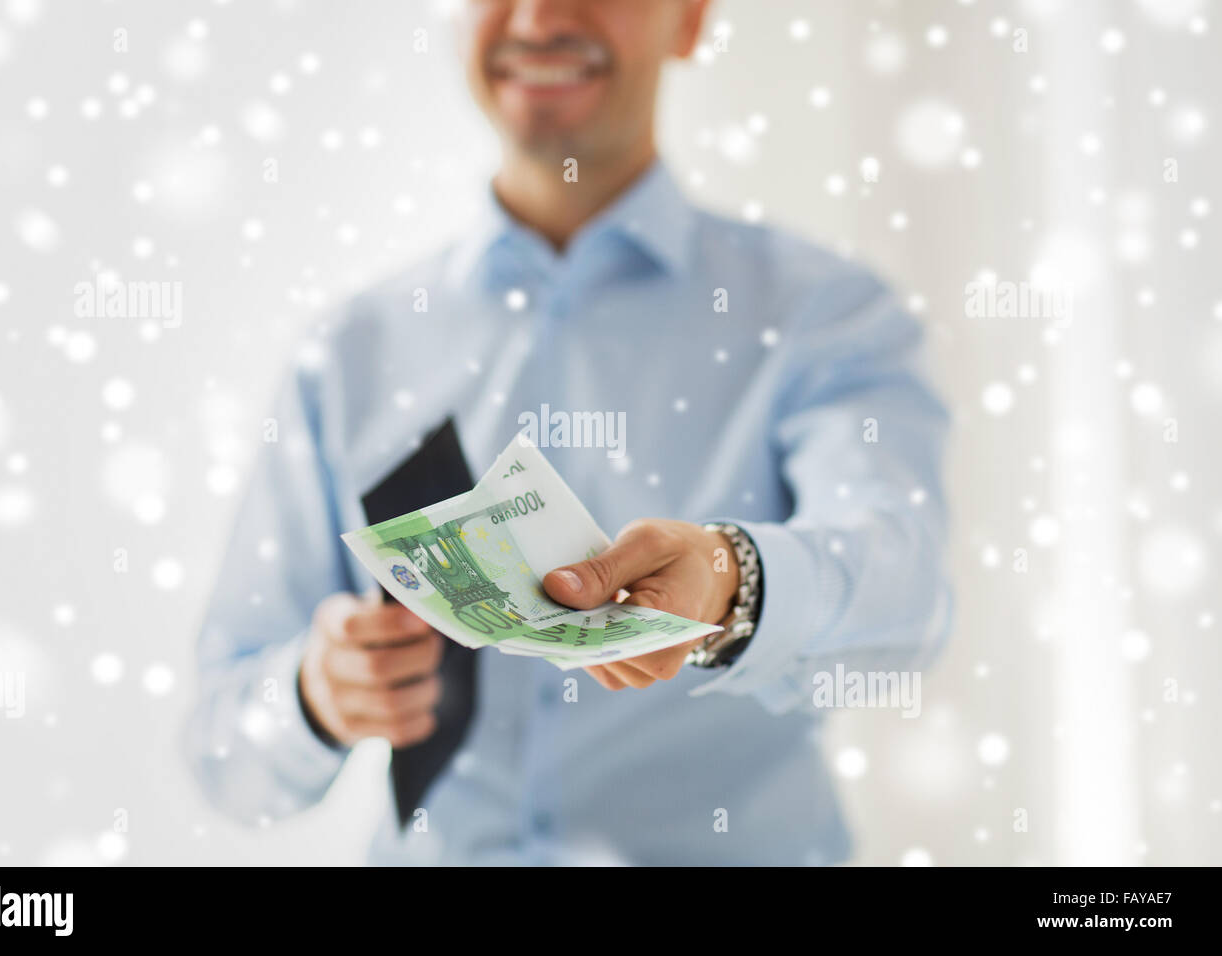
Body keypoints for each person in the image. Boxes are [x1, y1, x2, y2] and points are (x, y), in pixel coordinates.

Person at [185, 0, 951, 865]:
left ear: (691, 19)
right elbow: (222, 753)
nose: (541, 15)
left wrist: (734, 583)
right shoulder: (350, 352)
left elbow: (907, 593)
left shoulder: (825, 316)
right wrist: (312, 696)